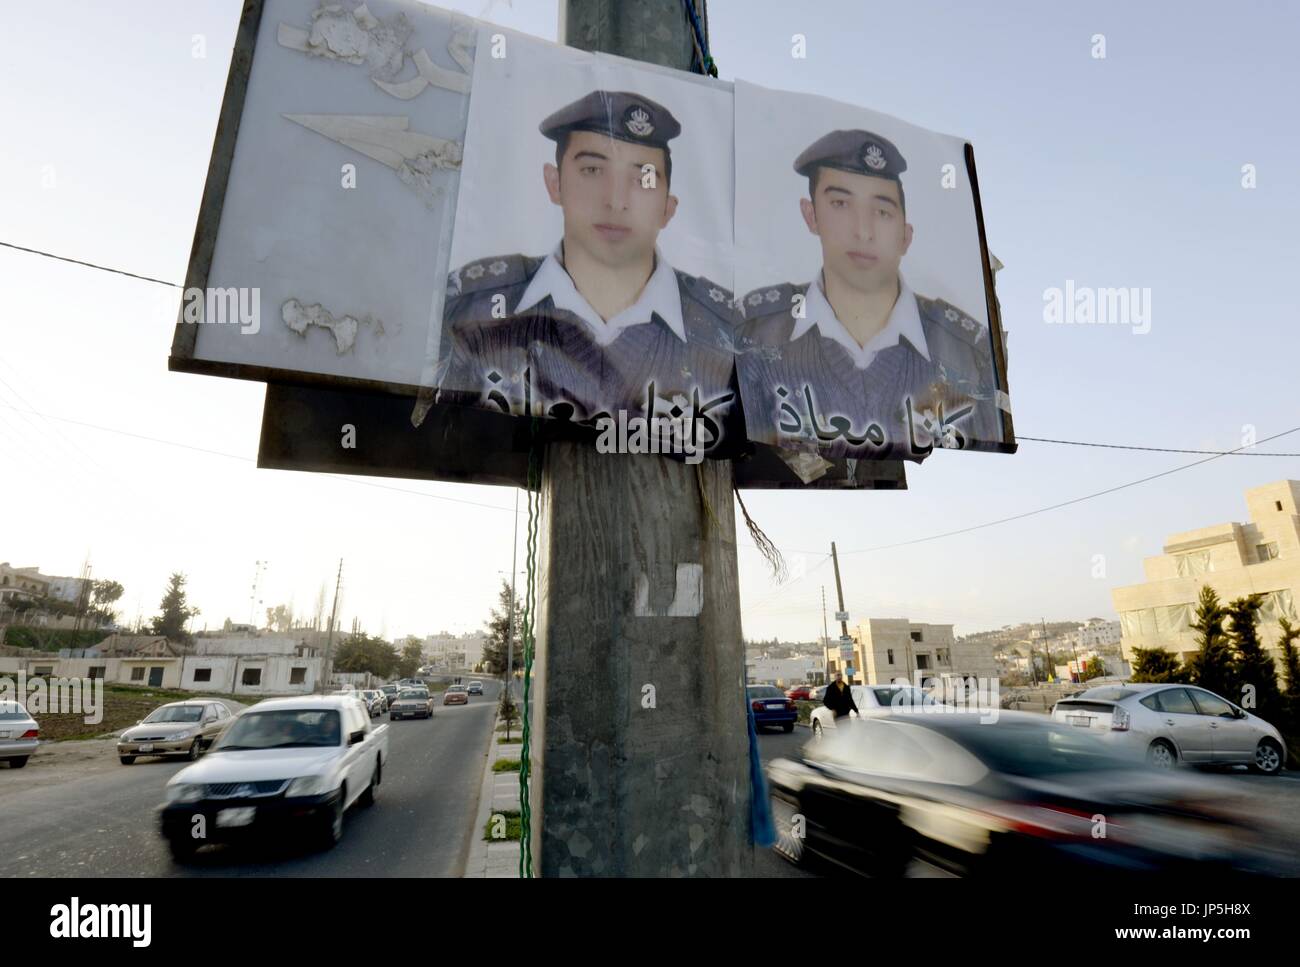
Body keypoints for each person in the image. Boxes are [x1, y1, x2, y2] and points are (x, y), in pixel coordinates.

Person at [435, 89, 737, 454]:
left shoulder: (727, 334)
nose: (616, 200)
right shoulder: (472, 311)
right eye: (592, 170)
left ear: (668, 207)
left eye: (643, 178)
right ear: (554, 183)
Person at [735, 128, 1003, 462]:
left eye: (882, 211)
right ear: (811, 215)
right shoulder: (754, 334)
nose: (863, 231)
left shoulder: (964, 352)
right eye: (840, 204)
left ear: (906, 234)